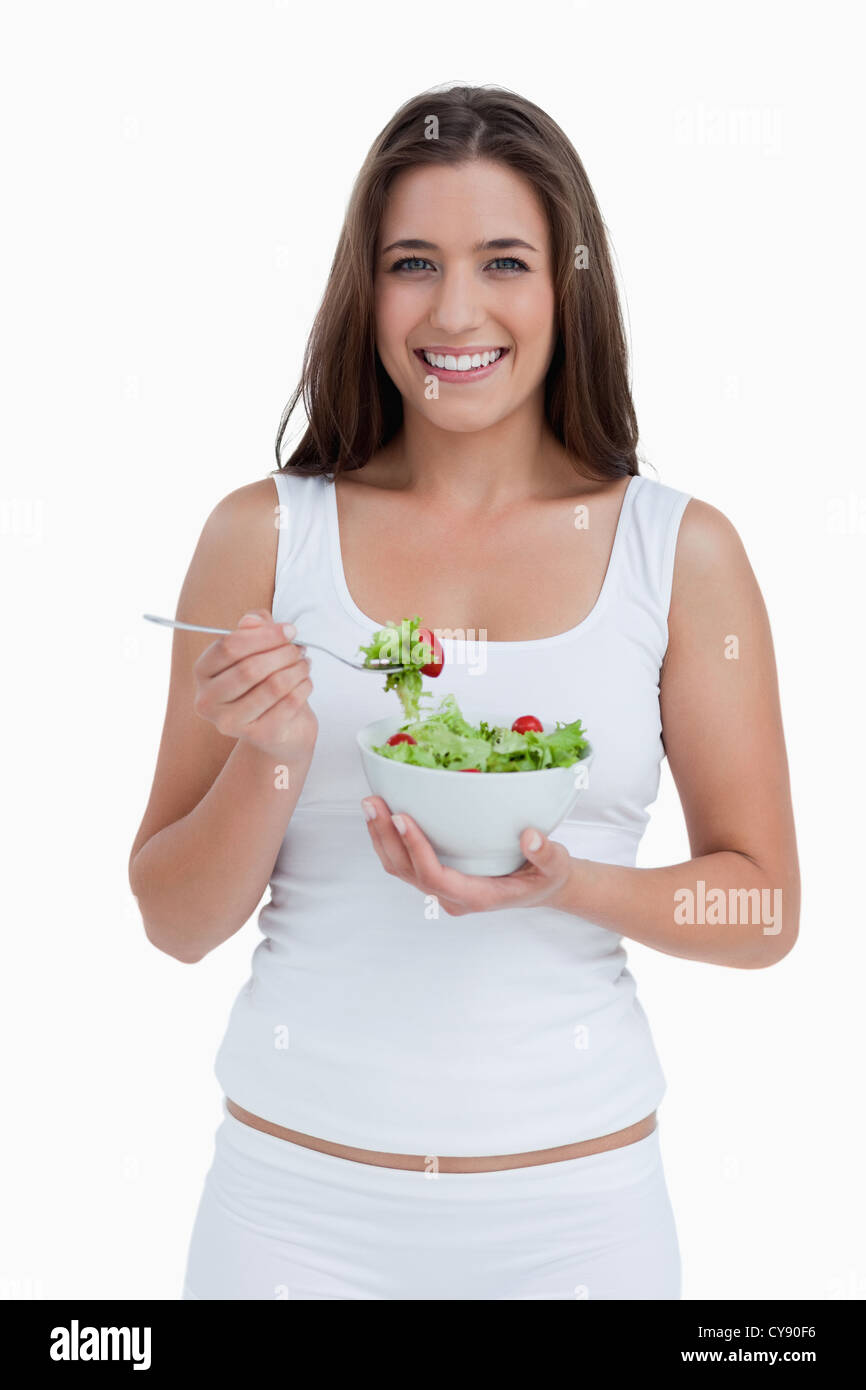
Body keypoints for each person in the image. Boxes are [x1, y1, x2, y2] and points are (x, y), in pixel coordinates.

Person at [129, 84, 800, 1300]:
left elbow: (760, 910)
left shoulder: (676, 551)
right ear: (365, 286)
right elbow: (172, 923)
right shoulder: (263, 536)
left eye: (503, 261)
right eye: (411, 263)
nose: (453, 310)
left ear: (566, 286)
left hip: (578, 1227)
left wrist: (566, 883)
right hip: (291, 1220)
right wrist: (274, 752)